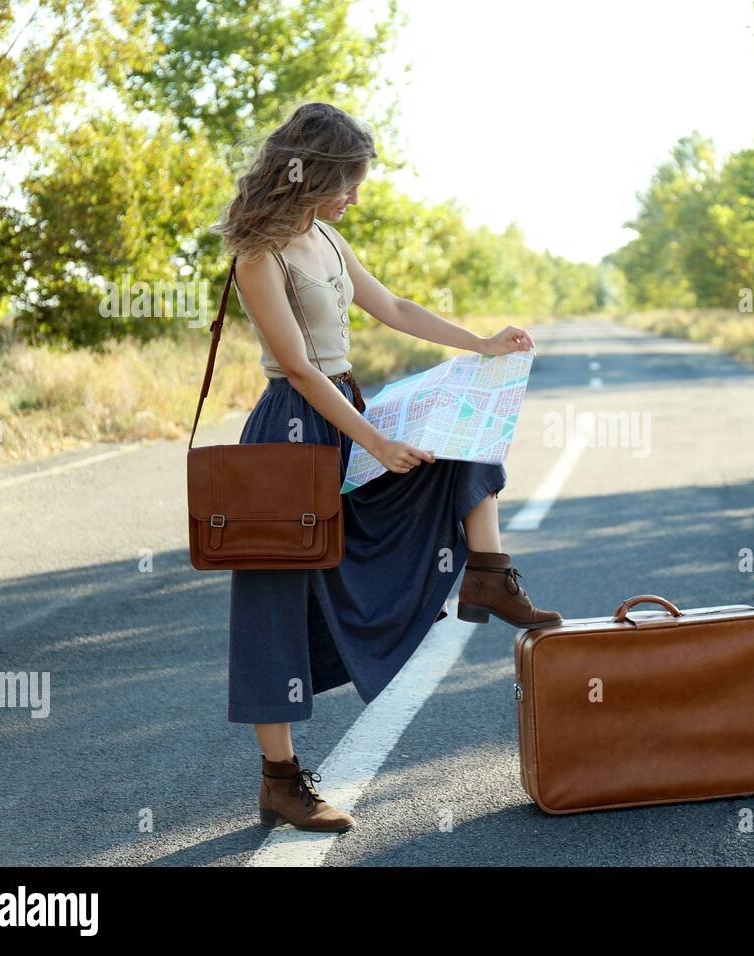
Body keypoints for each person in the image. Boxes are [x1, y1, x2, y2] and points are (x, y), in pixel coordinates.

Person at [210, 102, 562, 833]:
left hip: (347, 414)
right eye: (348, 182)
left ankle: (489, 574)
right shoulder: (258, 254)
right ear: (308, 172)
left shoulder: (328, 240)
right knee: (273, 601)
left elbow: (394, 307)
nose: (354, 197)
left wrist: (482, 343)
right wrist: (373, 442)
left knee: (459, 440)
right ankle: (280, 781)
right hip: (292, 431)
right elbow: (302, 370)